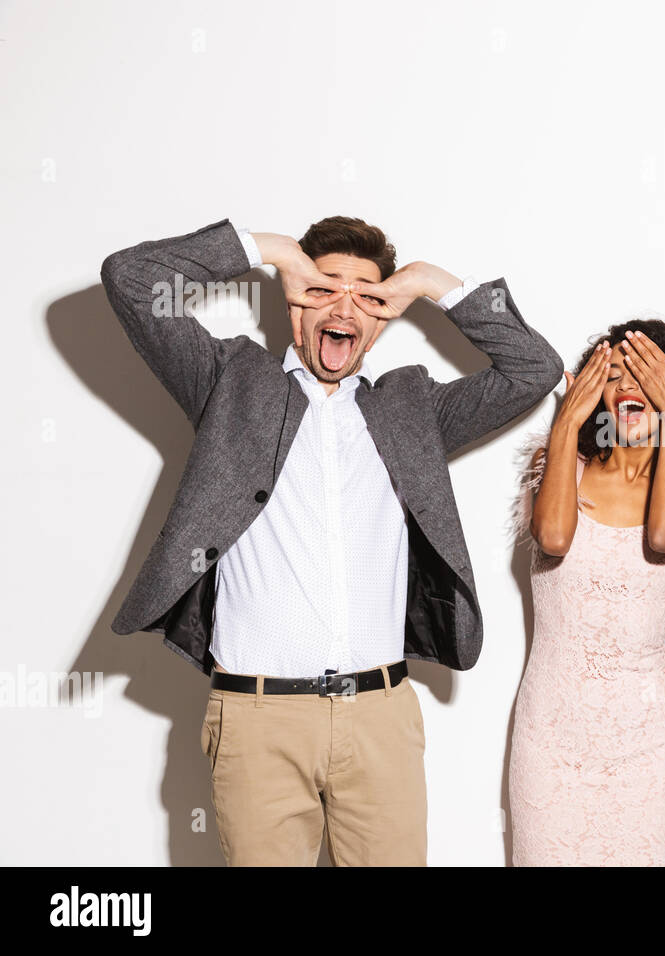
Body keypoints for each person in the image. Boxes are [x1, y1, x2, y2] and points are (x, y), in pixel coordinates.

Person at [101, 216, 564, 865]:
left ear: (382, 320)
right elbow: (130, 278)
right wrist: (265, 249)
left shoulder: (410, 410)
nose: (343, 307)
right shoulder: (230, 383)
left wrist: (432, 284)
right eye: (323, 289)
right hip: (259, 722)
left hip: (379, 717)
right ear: (293, 300)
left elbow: (534, 368)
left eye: (366, 297)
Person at [507, 319, 665, 866]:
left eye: (647, 375)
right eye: (616, 373)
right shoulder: (557, 466)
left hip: (649, 746)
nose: (629, 386)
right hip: (550, 738)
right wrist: (564, 424)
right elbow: (554, 537)